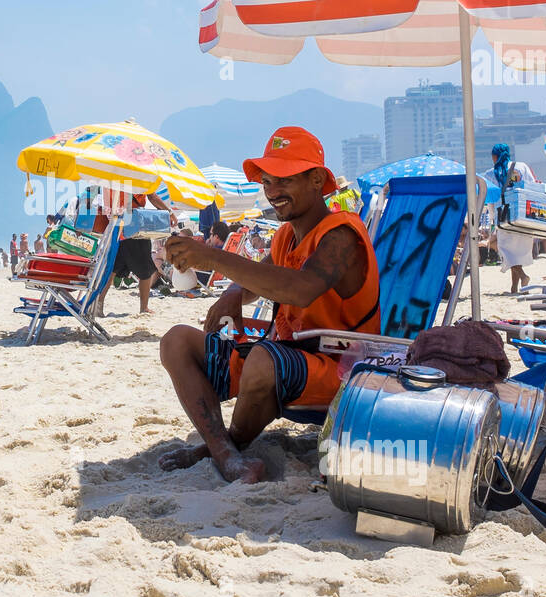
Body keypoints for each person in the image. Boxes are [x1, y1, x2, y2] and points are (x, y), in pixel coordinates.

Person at [158, 128, 380, 483]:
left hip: (341, 369)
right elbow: (260, 279)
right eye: (268, 180)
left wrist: (215, 258)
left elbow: (302, 289)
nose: (272, 191)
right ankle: (223, 450)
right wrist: (233, 290)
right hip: (284, 355)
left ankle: (225, 452)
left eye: (285, 180)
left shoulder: (341, 233)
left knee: (262, 360)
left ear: (316, 179)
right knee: (176, 341)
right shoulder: (285, 237)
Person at [487, 144, 536, 294]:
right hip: (523, 214)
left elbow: (491, 199)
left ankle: (523, 276)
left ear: (495, 156)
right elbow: (532, 187)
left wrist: (492, 219)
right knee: (517, 252)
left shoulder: (491, 173)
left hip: (504, 216)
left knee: (507, 252)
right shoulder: (522, 167)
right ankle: (516, 287)